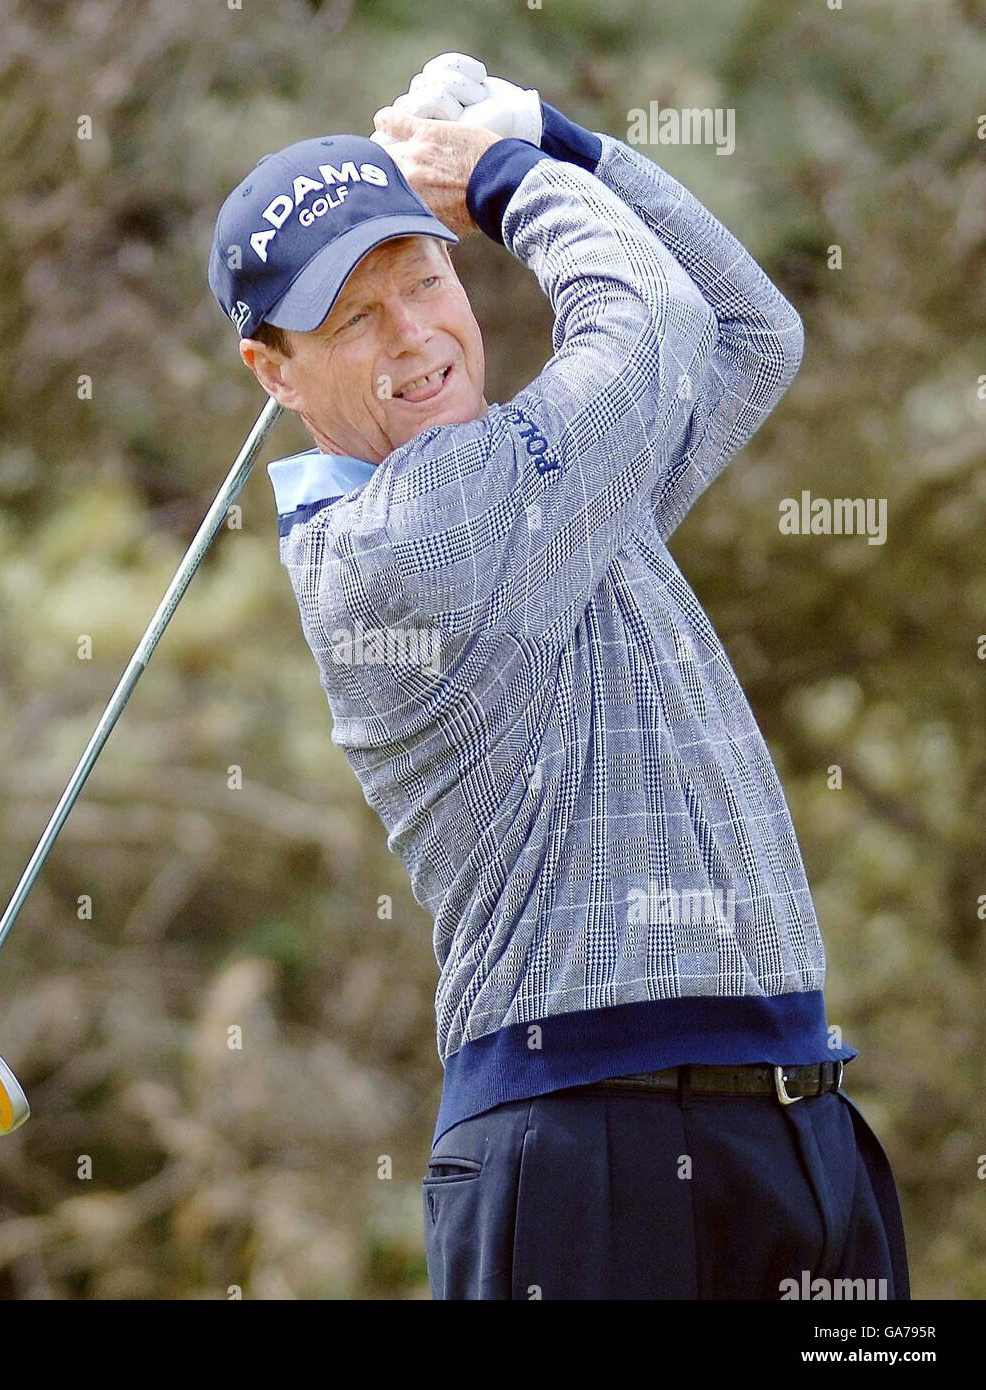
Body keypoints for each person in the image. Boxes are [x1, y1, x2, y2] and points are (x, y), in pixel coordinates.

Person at [207, 53, 909, 1301]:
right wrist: (508, 173)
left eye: (424, 279)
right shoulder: (397, 550)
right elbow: (653, 325)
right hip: (584, 1148)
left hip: (799, 1119)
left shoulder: (565, 495)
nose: (415, 333)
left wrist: (557, 138)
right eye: (355, 318)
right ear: (275, 370)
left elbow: (748, 333)